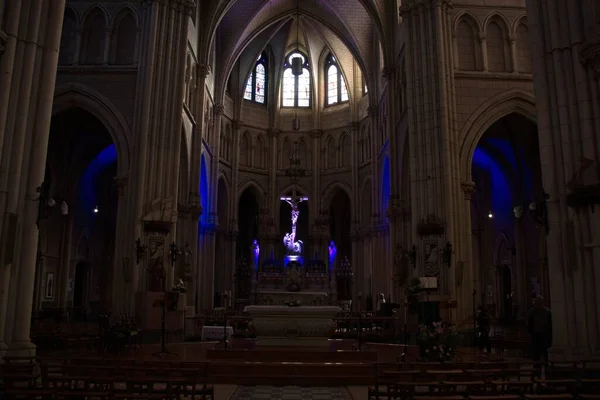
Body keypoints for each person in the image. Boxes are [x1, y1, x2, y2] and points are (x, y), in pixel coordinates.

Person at [527, 295, 552, 364]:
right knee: (536, 353)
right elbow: (529, 323)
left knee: (544, 352)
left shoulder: (547, 312)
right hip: (537, 334)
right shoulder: (532, 312)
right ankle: (537, 368)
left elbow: (550, 324)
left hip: (543, 334)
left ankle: (544, 366)